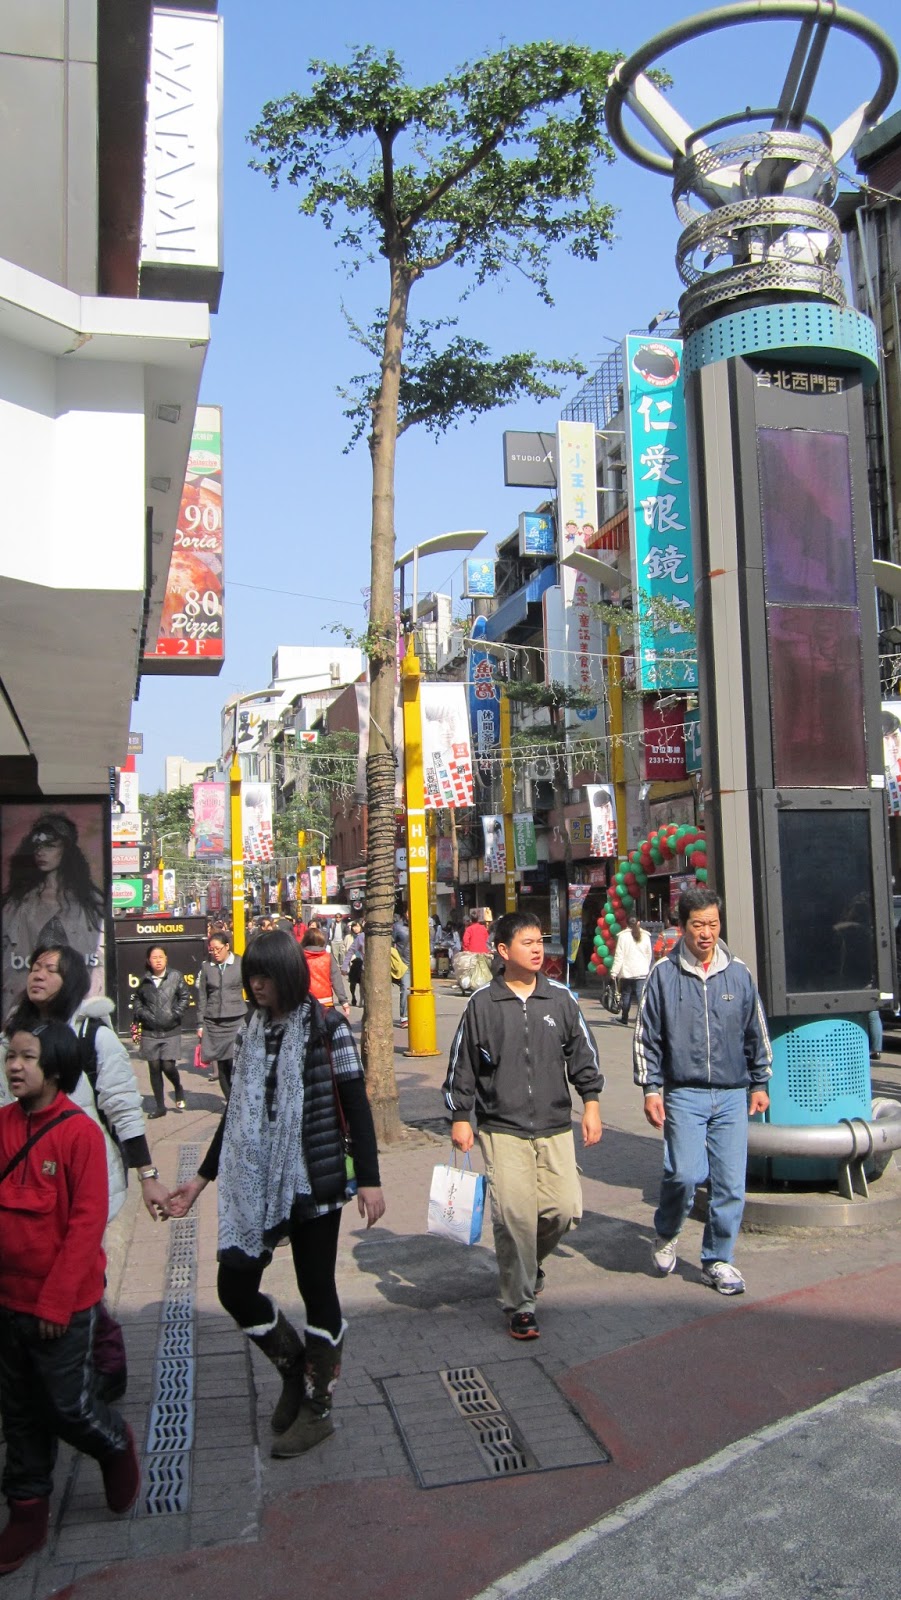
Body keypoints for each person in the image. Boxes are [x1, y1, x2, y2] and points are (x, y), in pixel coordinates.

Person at [165, 931, 385, 1457]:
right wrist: (199, 1181)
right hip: (254, 1181)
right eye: (251, 978)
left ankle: (318, 1408)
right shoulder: (249, 1032)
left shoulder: (329, 1029)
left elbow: (356, 1105)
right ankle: (293, 1368)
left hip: (316, 1181)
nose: (256, 986)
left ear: (286, 973)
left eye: (264, 976)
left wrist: (371, 1180)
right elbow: (235, 1114)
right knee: (234, 1288)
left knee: (317, 1290)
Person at [0, 1021, 140, 1572]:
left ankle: (113, 1443)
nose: (14, 1067)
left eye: (27, 1058)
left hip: (62, 1305)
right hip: (7, 1304)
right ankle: (28, 1514)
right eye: (10, 1056)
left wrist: (56, 1302)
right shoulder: (3, 1125)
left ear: (54, 1066)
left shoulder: (78, 1134)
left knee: (68, 1405)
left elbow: (85, 1227)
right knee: (18, 1414)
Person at [1, 943, 169, 1401]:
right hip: (20, 1178)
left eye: (52, 970)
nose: (39, 975)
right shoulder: (12, 1033)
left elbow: (122, 1108)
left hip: (80, 1177)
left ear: (71, 980)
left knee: (78, 1268)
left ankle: (103, 1362)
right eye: (35, 966)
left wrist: (148, 1175)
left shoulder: (93, 1034)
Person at [445, 911, 604, 1341]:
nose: (538, 949)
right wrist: (461, 1117)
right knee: (514, 1217)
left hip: (555, 1124)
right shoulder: (483, 1004)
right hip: (502, 1127)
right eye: (527, 942)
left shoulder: (560, 999)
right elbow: (462, 1067)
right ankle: (521, 1304)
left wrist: (590, 1104)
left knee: (565, 1210)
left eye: (540, 942)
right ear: (502, 951)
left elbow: (583, 1055)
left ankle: (529, 1266)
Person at [634, 887, 772, 1296]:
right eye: (698, 924)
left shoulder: (738, 973)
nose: (707, 932)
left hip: (732, 1093)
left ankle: (718, 1260)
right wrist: (651, 1088)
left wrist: (761, 1080)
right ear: (682, 927)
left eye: (713, 923)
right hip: (684, 1094)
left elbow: (755, 1029)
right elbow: (647, 1037)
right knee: (685, 1173)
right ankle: (667, 1230)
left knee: (730, 1185)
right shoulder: (664, 974)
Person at [2, 812, 105, 1021]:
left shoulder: (90, 901)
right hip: (25, 1008)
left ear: (66, 850)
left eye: (50, 845)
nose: (41, 852)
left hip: (79, 1008)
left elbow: (99, 958)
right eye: (37, 846)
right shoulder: (16, 902)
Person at [131, 947, 190, 1118]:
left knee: (168, 1066)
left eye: (161, 957)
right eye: (154, 957)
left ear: (166, 958)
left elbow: (185, 996)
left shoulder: (175, 976)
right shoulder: (145, 980)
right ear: (148, 960)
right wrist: (142, 1014)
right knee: (154, 1067)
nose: (158, 960)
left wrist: (175, 1014)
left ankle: (178, 1087)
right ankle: (160, 1106)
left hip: (170, 1030)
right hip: (150, 1031)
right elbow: (137, 1000)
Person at [196, 930, 246, 1103]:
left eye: (218, 949)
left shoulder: (240, 963)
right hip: (214, 1022)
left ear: (227, 947)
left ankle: (239, 1099)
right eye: (212, 950)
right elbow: (202, 995)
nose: (215, 953)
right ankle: (231, 1102)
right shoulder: (206, 967)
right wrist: (200, 1024)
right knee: (222, 1064)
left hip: (236, 1019)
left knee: (235, 1061)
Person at [610, 916, 653, 1026]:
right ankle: (643, 1020)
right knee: (640, 996)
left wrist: (614, 972)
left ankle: (624, 1018)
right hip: (642, 971)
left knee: (626, 995)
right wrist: (646, 966)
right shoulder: (646, 936)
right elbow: (649, 954)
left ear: (627, 924)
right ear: (638, 923)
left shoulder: (623, 937)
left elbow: (619, 956)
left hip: (627, 971)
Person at [301, 928, 350, 1015]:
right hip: (325, 1001)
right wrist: (343, 1001)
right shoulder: (328, 957)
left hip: (304, 1000)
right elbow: (336, 979)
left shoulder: (299, 957)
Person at [392, 910, 411, 1026]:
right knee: (406, 988)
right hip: (404, 963)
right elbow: (390, 943)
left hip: (418, 963)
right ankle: (404, 1017)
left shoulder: (422, 923)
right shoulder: (398, 927)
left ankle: (416, 1014)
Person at [342, 922, 365, 1006]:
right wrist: (344, 967)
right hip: (358, 964)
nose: (355, 928)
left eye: (357, 926)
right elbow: (350, 951)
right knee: (355, 982)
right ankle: (358, 999)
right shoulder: (360, 937)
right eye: (354, 926)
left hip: (375, 968)